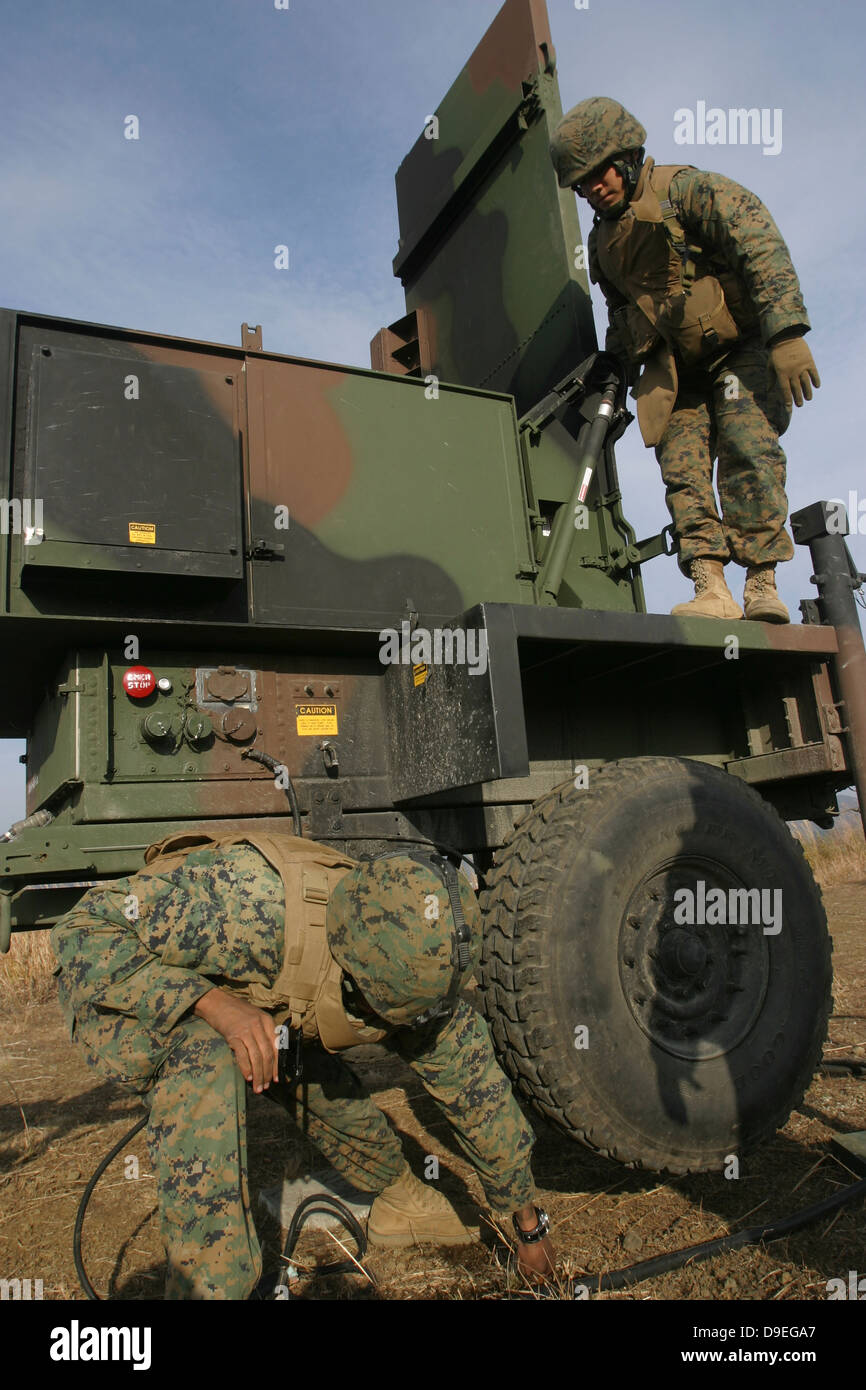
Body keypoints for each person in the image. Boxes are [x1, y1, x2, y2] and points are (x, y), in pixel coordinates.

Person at [51, 829, 554, 1299]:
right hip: (121, 982)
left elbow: (476, 1092)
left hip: (254, 991)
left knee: (300, 1061)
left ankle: (397, 1197)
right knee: (205, 1058)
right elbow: (80, 931)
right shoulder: (247, 907)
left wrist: (529, 1227)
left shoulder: (417, 952)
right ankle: (210, 1285)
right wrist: (213, 1005)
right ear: (355, 972)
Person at [550, 97, 820, 622]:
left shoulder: (685, 190)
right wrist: (617, 376)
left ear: (627, 157)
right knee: (681, 469)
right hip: (674, 368)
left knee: (748, 447)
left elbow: (757, 240)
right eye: (581, 184)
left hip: (739, 349)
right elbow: (621, 314)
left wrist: (786, 332)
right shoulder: (604, 244)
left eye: (599, 172)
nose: (593, 188)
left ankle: (761, 581)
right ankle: (710, 585)